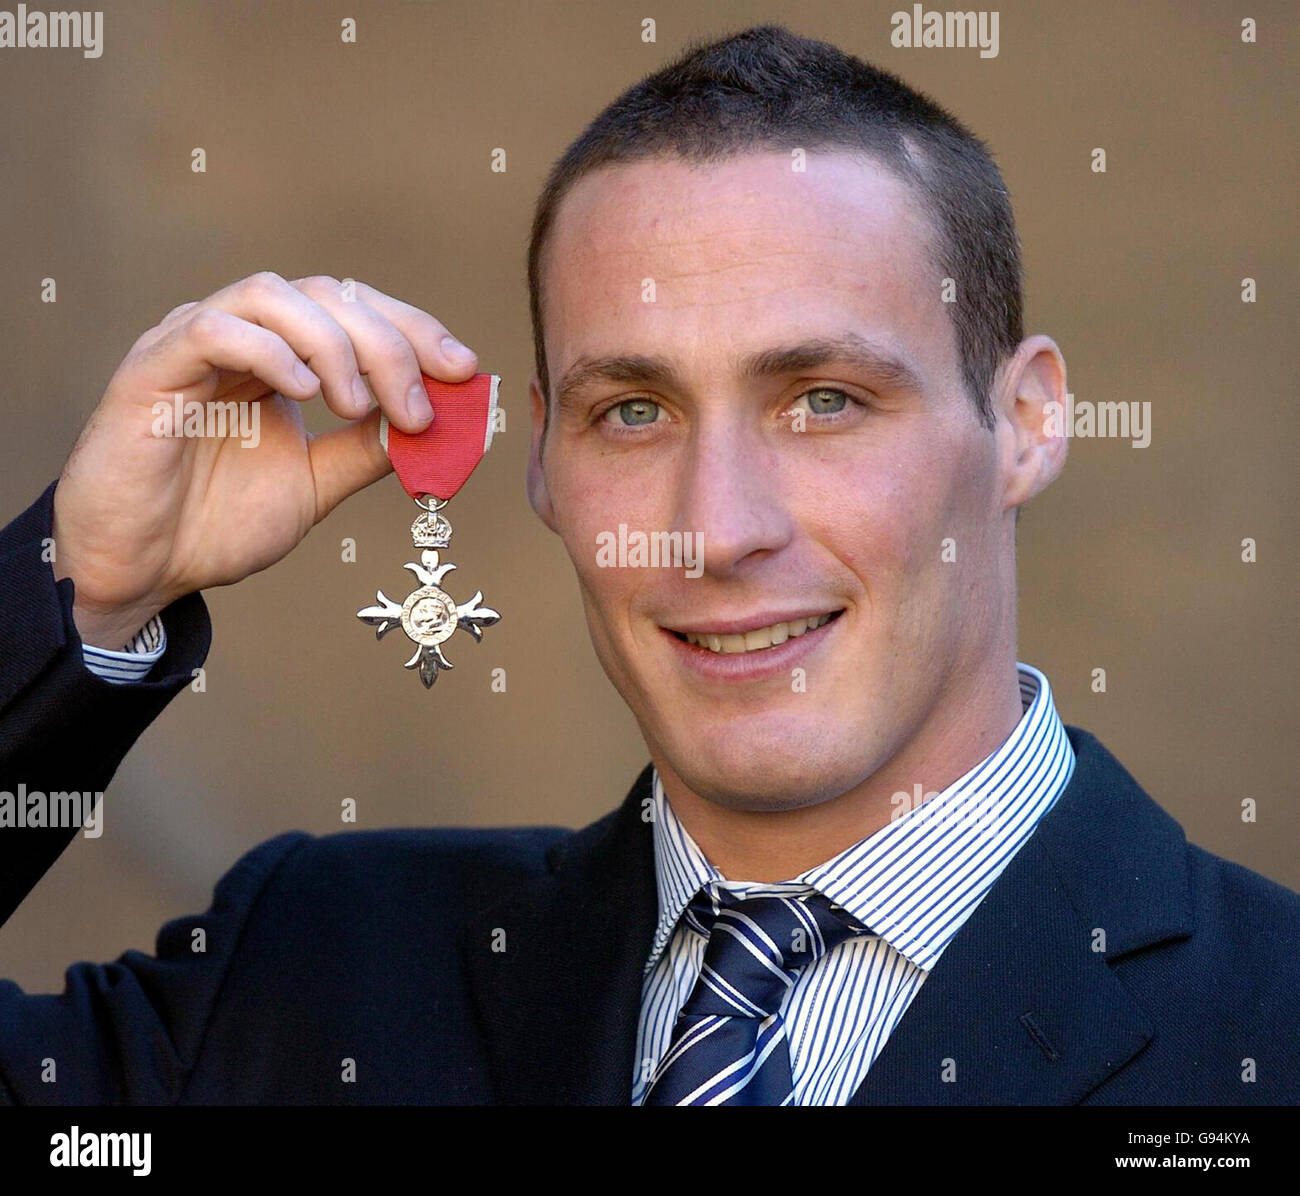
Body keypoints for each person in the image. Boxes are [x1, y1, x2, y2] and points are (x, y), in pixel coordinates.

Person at [1, 24, 1296, 1107]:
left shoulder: (1268, 1027)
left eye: (825, 400)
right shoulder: (306, 971)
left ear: (1025, 422)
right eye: (633, 412)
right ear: (541, 460)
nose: (717, 528)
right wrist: (86, 582)